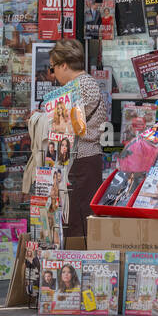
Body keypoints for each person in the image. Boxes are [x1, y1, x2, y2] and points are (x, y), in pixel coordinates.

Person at [47, 38, 109, 241]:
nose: (52, 73)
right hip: (84, 160)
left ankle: (78, 263)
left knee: (78, 221)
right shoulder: (86, 84)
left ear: (64, 64)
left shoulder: (79, 87)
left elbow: (63, 126)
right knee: (78, 218)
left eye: (52, 67)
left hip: (80, 161)